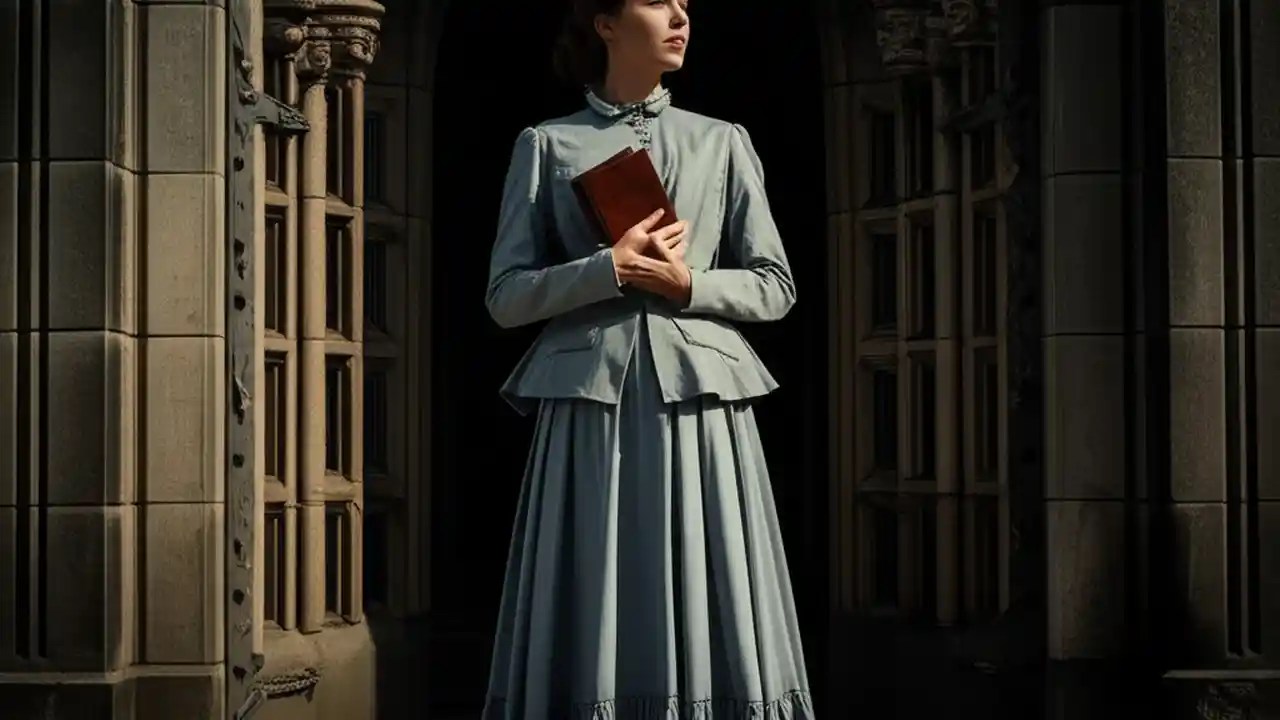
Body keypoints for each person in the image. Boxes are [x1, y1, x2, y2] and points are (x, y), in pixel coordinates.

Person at [481, 0, 814, 716]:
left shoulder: (722, 142)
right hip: (592, 405)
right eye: (659, 2)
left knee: (708, 568)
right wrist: (609, 269)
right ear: (604, 22)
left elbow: (775, 286)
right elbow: (505, 298)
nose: (681, 16)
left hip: (700, 405)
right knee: (601, 573)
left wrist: (687, 282)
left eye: (687, 5)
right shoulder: (546, 144)